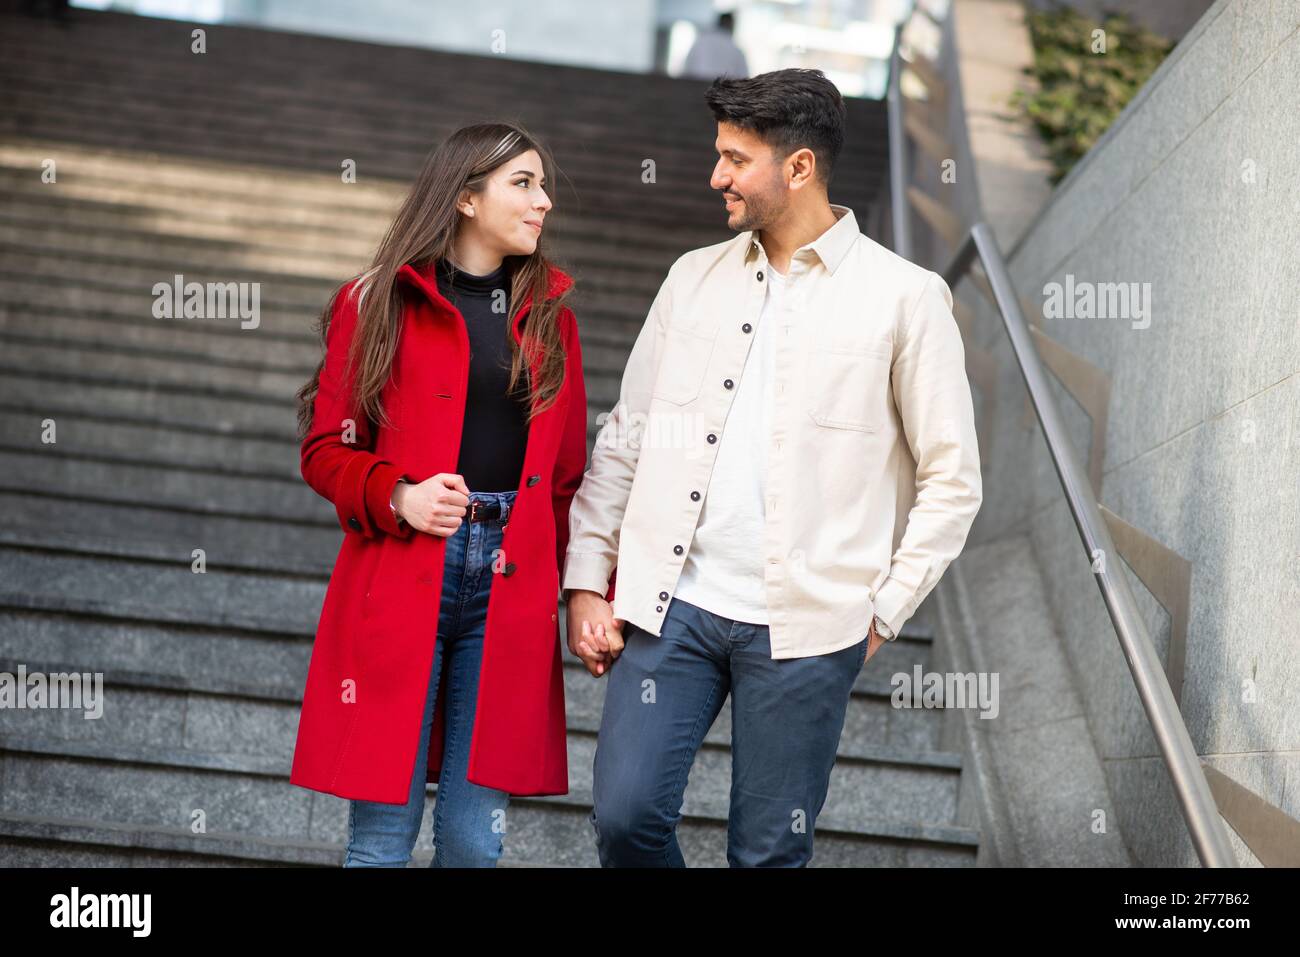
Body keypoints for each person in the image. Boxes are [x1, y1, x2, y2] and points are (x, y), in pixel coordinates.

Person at [561, 68, 983, 866]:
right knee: (623, 813)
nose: (715, 175)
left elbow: (952, 477)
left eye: (735, 158)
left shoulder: (907, 298)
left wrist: (883, 610)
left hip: (807, 627)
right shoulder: (692, 277)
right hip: (672, 601)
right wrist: (588, 575)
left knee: (766, 853)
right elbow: (628, 434)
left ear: (798, 168)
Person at [290, 123, 589, 867]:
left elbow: (567, 481)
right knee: (381, 839)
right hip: (401, 569)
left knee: (471, 842)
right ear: (464, 197)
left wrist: (589, 589)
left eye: (542, 184)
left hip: (508, 583)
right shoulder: (376, 303)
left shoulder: (553, 320)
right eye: (523, 183)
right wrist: (399, 495)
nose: (544, 201)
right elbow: (327, 450)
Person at [683, 11, 749, 80]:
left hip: (698, 86)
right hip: (723, 89)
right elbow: (744, 78)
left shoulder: (701, 41)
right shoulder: (736, 50)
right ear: (731, 24)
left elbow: (687, 68)